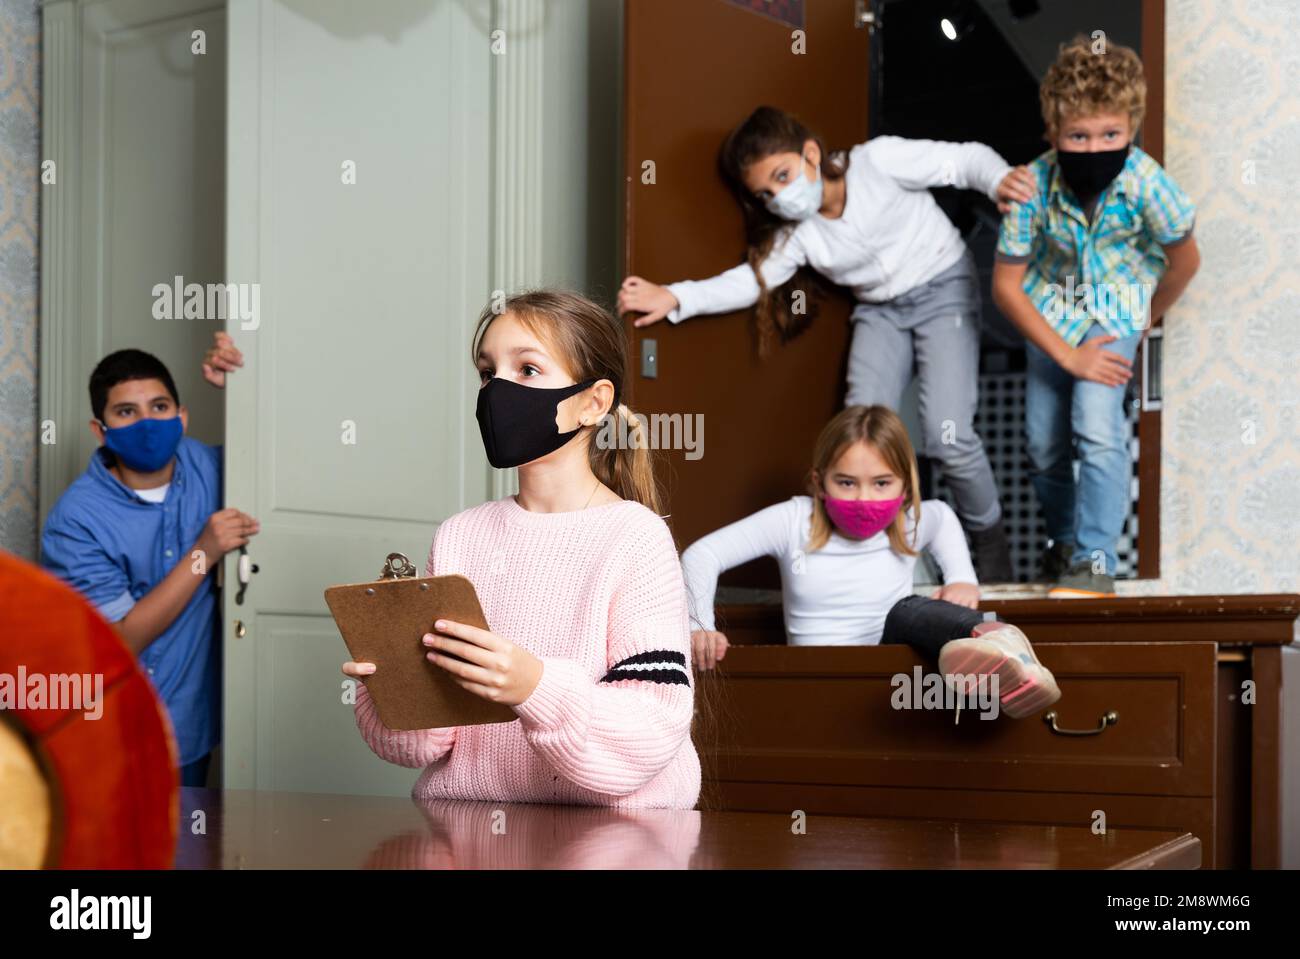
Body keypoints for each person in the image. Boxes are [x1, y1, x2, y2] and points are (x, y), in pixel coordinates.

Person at [618, 105, 1035, 581]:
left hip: (944, 287)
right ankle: (887, 559)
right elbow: (748, 283)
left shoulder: (878, 161)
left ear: (811, 153)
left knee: (947, 433)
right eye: (766, 193)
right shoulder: (797, 235)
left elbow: (963, 161)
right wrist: (674, 296)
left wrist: (999, 180)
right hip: (880, 310)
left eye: (783, 175)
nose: (780, 197)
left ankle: (989, 538)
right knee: (858, 435)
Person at [343, 290, 700, 808]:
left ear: (593, 402)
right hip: (467, 824)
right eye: (489, 373)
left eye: (527, 369)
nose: (497, 391)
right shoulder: (458, 535)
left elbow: (651, 728)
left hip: (611, 839)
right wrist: (394, 686)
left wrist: (533, 685)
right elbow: (421, 743)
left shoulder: (635, 537)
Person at [681, 405, 1060, 720]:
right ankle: (1001, 654)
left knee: (907, 610)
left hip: (890, 672)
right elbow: (702, 554)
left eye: (881, 484)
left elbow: (942, 516)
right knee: (909, 609)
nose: (864, 498)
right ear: (818, 482)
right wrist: (700, 626)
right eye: (846, 483)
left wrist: (963, 577)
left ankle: (1002, 647)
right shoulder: (794, 520)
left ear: (905, 488)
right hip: (818, 678)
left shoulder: (911, 521)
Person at [992, 36, 1199, 597]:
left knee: (1096, 426)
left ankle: (1097, 560)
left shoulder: (1148, 183)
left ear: (1131, 128)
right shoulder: (1031, 185)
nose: (1094, 147)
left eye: (1111, 134)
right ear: (1053, 133)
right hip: (1052, 305)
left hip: (1117, 307)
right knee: (1043, 442)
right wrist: (1067, 355)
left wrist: (1144, 319)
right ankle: (1064, 545)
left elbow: (1185, 260)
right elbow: (1006, 287)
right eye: (1078, 136)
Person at [41, 333, 258, 785]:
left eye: (159, 407)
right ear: (100, 430)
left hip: (193, 726)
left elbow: (289, 457)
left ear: (181, 416)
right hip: (113, 727)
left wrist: (243, 383)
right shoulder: (74, 521)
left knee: (189, 849)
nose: (147, 422)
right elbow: (122, 638)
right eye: (126, 412)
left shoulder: (214, 468)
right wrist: (204, 552)